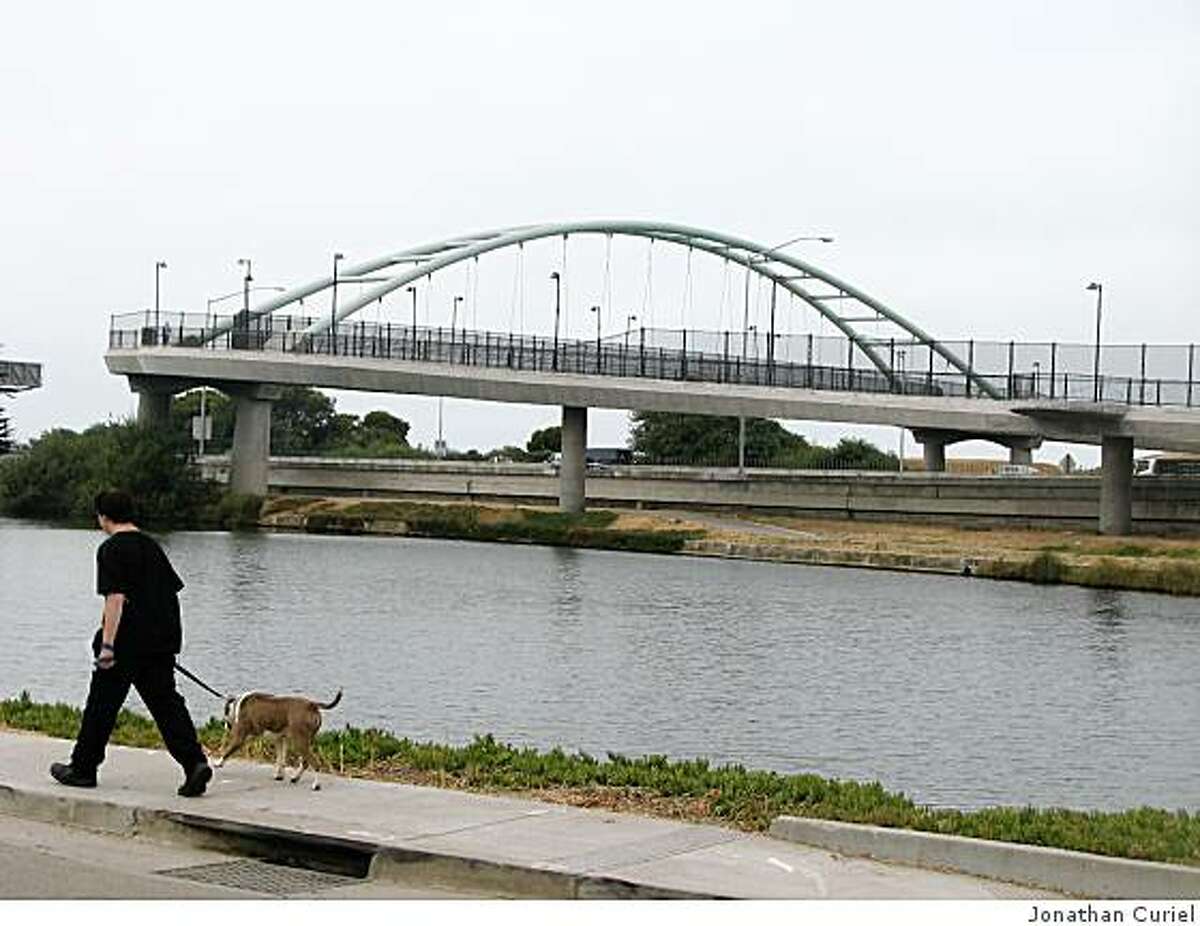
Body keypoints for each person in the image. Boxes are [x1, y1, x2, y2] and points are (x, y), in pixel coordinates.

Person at [50, 490, 212, 797]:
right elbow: (170, 594)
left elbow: (115, 598)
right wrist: (166, 640)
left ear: (103, 516)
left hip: (125, 643)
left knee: (101, 705)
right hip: (160, 640)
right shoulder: (152, 547)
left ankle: (83, 768)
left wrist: (108, 644)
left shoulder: (111, 549)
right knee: (167, 705)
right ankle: (194, 763)